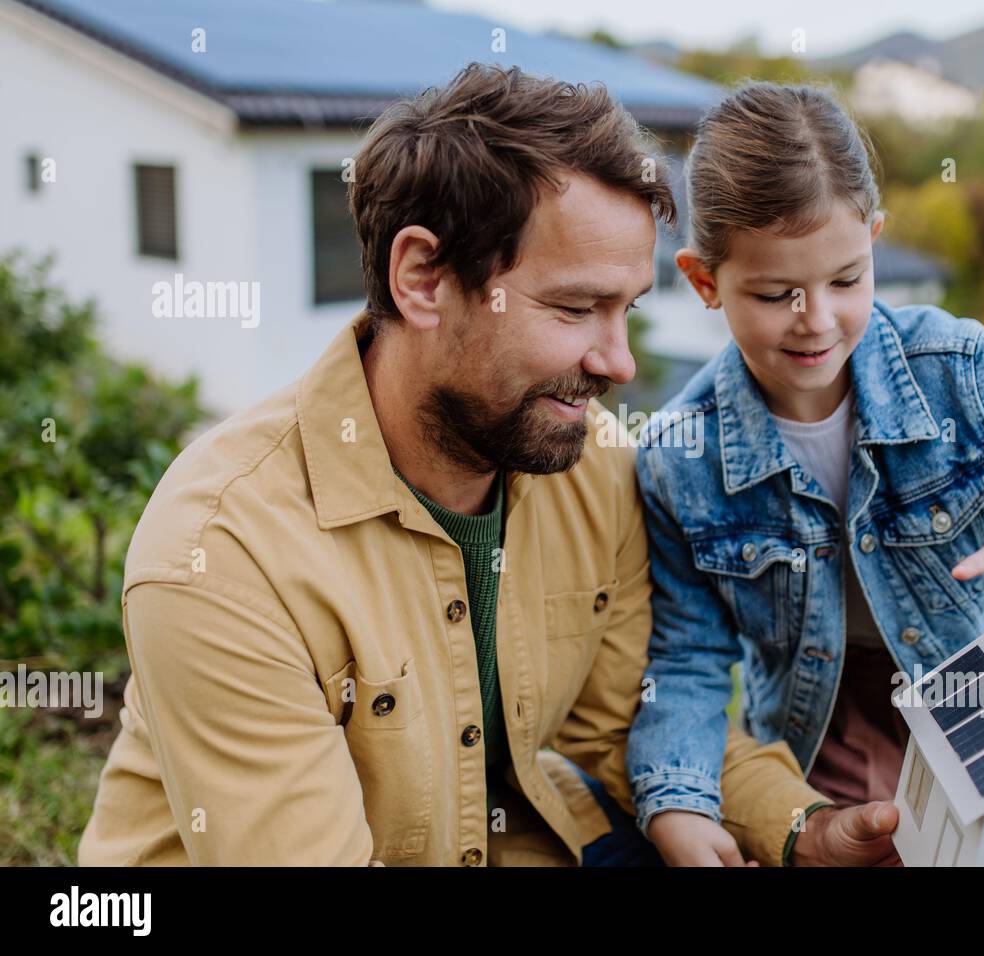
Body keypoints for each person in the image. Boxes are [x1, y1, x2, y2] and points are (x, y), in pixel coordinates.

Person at [77, 64, 896, 867]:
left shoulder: (593, 468)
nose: (616, 362)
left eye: (627, 310)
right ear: (423, 280)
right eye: (576, 308)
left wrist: (802, 830)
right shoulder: (223, 555)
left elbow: (631, 720)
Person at [626, 81, 984, 866]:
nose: (819, 319)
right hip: (812, 746)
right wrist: (680, 800)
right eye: (776, 294)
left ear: (873, 237)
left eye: (847, 279)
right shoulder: (679, 458)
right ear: (704, 281)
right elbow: (688, 660)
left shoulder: (962, 374)